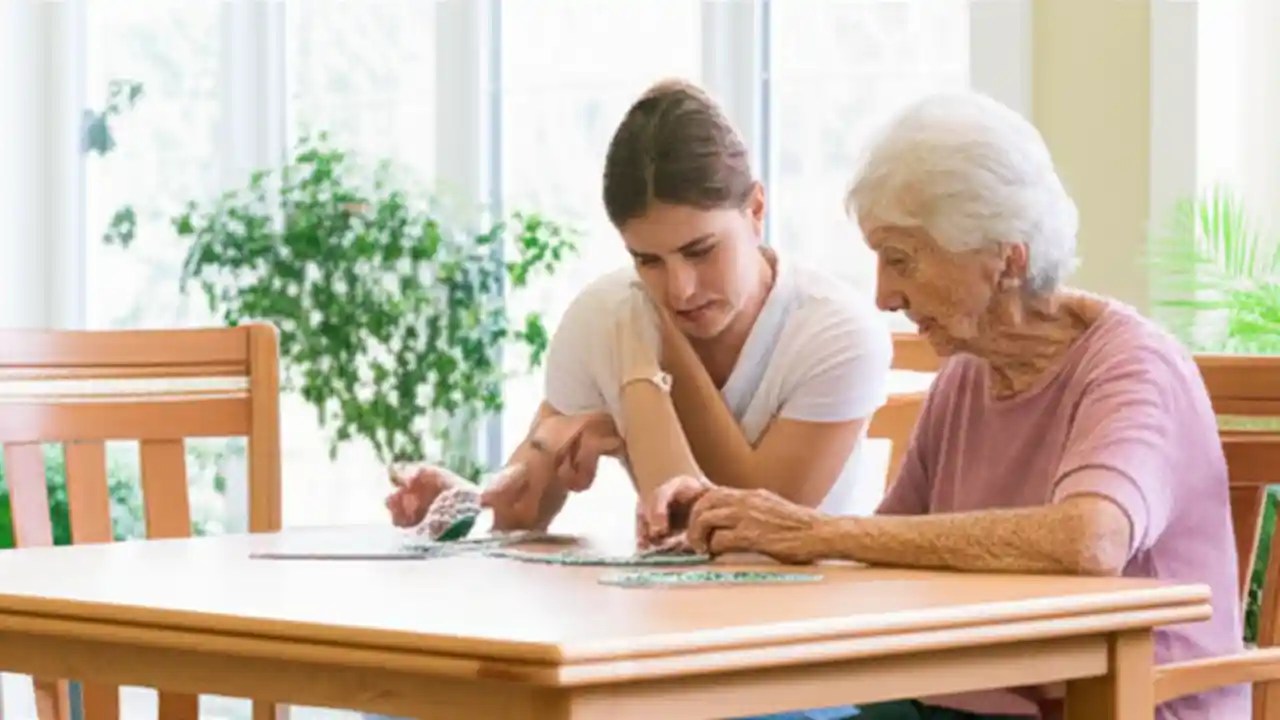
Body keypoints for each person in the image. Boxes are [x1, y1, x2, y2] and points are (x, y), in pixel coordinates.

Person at [641, 91, 1249, 720]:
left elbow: (1089, 540)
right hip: (958, 702)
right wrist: (736, 522)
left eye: (901, 259)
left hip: (1119, 705)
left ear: (1005, 259)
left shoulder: (1133, 367)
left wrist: (815, 531)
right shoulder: (966, 375)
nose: (883, 295)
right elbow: (878, 547)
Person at [386, 78, 893, 552]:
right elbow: (526, 507)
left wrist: (643, 368)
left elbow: (741, 536)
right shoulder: (601, 315)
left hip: (806, 625)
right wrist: (468, 503)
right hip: (661, 619)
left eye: (700, 251)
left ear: (756, 210)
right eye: (647, 260)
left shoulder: (837, 333)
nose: (680, 289)